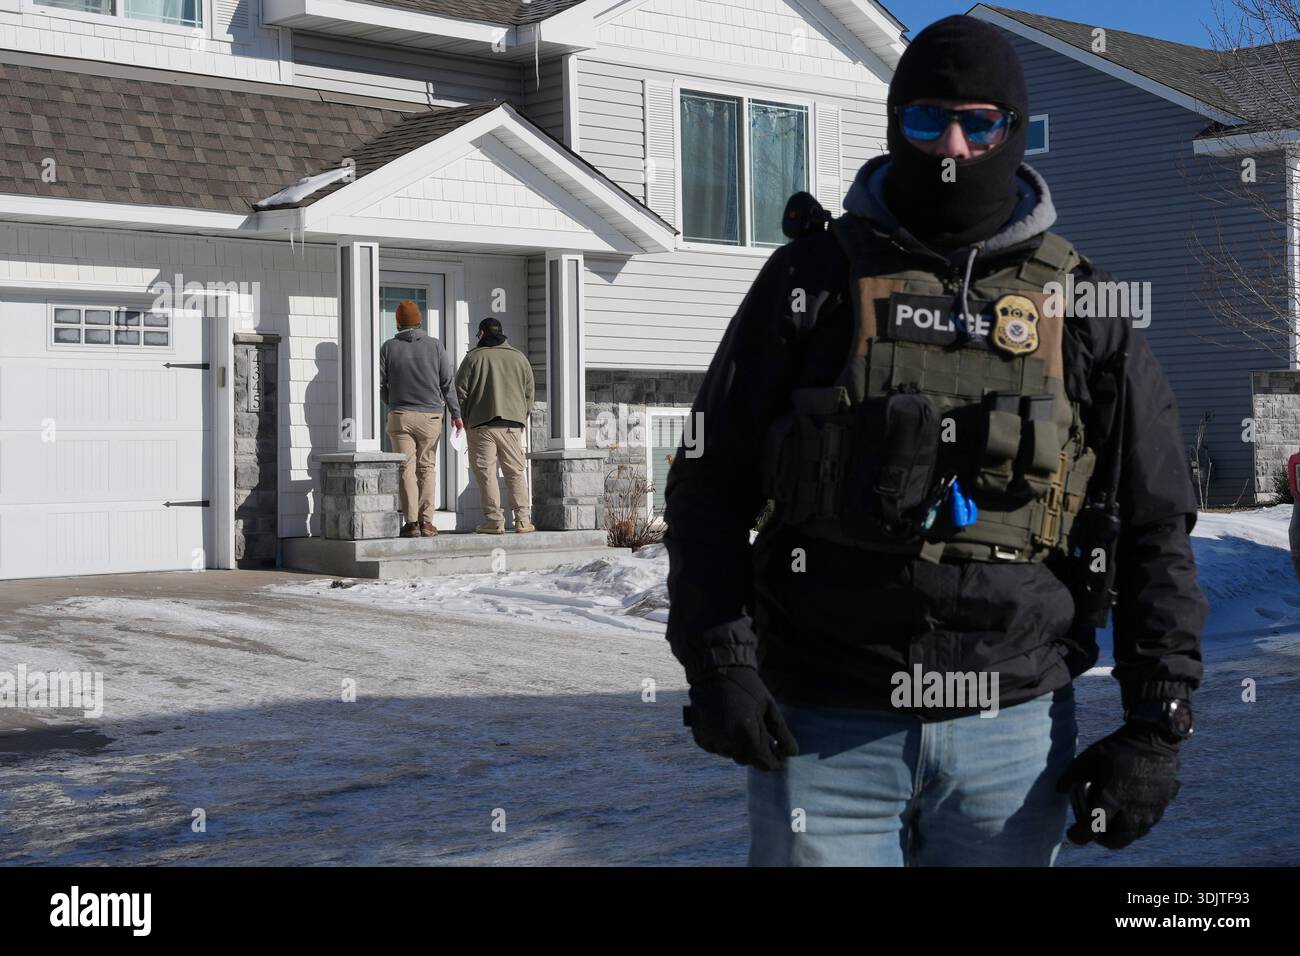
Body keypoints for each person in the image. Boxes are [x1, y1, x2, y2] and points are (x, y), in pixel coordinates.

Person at [663, 15, 1207, 867]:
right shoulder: (813, 279)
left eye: (978, 122)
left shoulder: (1085, 305)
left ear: (1013, 131)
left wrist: (1159, 722)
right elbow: (708, 482)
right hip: (826, 720)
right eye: (926, 120)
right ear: (895, 127)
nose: (951, 145)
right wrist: (719, 661)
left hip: (1013, 727)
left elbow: (1154, 521)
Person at [379, 299, 462, 538]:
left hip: (401, 415)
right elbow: (447, 384)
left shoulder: (388, 347)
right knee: (427, 467)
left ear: (397, 322)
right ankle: (427, 522)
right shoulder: (435, 346)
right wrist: (456, 414)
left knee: (406, 468)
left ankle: (411, 523)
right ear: (419, 320)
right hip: (430, 416)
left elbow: (382, 383)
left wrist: (392, 402)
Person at [455, 317, 536, 534]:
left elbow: (459, 391)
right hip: (512, 425)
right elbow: (529, 393)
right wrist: (522, 417)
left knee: (487, 473)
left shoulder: (473, 358)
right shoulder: (519, 358)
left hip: (481, 425)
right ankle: (522, 521)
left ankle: (494, 521)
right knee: (515, 472)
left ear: (481, 334)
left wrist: (465, 417)